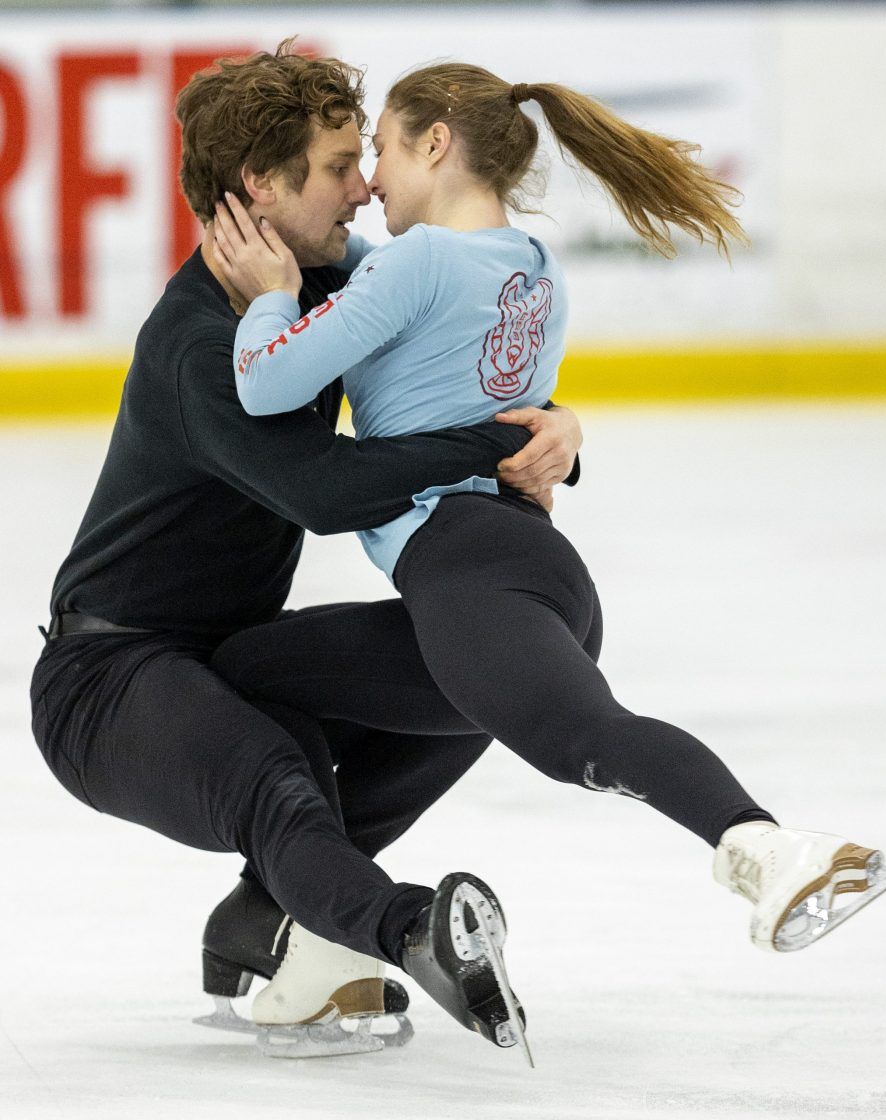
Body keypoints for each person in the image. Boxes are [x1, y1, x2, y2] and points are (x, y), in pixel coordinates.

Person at [209, 62, 886, 1059]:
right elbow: (470, 367)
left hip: (466, 572)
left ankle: (769, 848)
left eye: (380, 151)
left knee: (584, 735)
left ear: (434, 143)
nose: (370, 180)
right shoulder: (534, 262)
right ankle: (305, 931)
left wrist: (270, 298)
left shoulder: (413, 268)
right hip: (527, 571)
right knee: (243, 670)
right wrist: (568, 427)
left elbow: (271, 383)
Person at [28, 43, 584, 1056]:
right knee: (271, 775)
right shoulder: (200, 344)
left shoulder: (323, 287)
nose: (366, 186)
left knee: (471, 683)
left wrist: (555, 425)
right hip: (108, 679)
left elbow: (464, 339)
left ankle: (264, 921)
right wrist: (493, 442)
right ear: (261, 187)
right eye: (337, 166)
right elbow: (316, 491)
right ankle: (402, 928)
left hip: (234, 660)